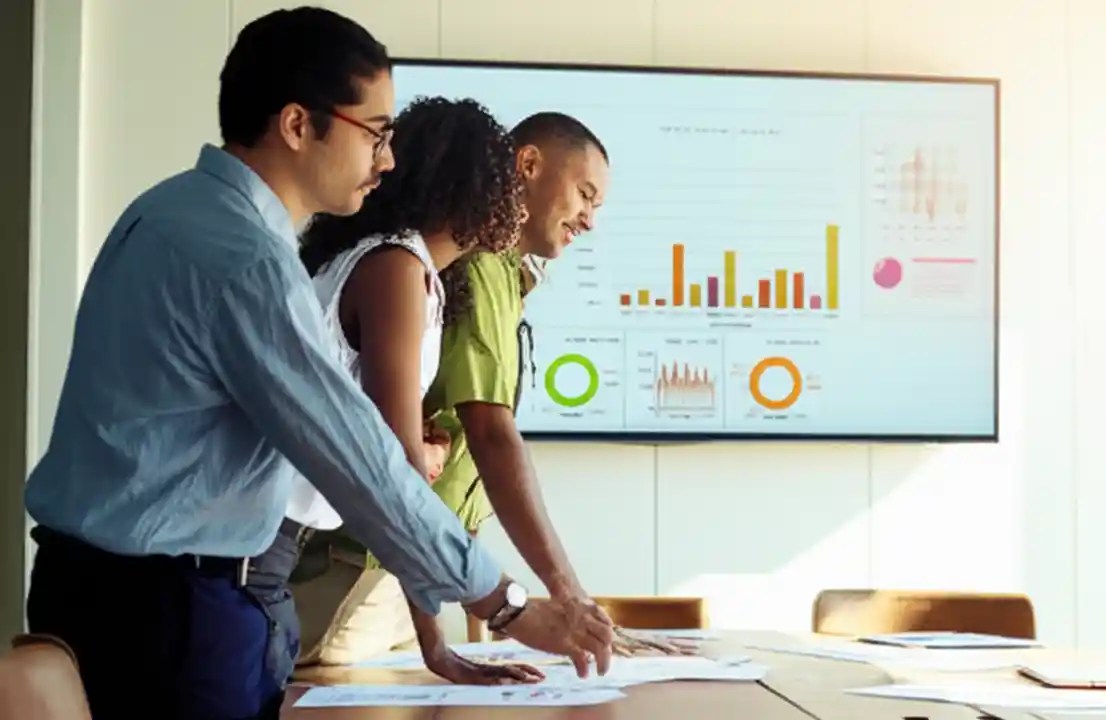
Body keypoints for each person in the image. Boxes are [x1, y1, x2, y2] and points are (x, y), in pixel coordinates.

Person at [22, 9, 610, 719]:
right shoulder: (243, 258)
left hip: (107, 584)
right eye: (377, 134)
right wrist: (505, 603)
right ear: (298, 125)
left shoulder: (169, 209)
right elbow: (357, 454)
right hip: (173, 609)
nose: (388, 161)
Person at [295, 111, 685, 665]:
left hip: (408, 572)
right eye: (585, 195)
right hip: (365, 571)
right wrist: (551, 601)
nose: (590, 222)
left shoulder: (432, 269)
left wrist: (453, 634)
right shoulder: (429, 267)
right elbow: (476, 438)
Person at [252, 94, 546, 686]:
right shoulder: (396, 269)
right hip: (263, 546)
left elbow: (393, 453)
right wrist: (440, 649)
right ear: (474, 188)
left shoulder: (399, 266)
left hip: (270, 541)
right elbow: (401, 472)